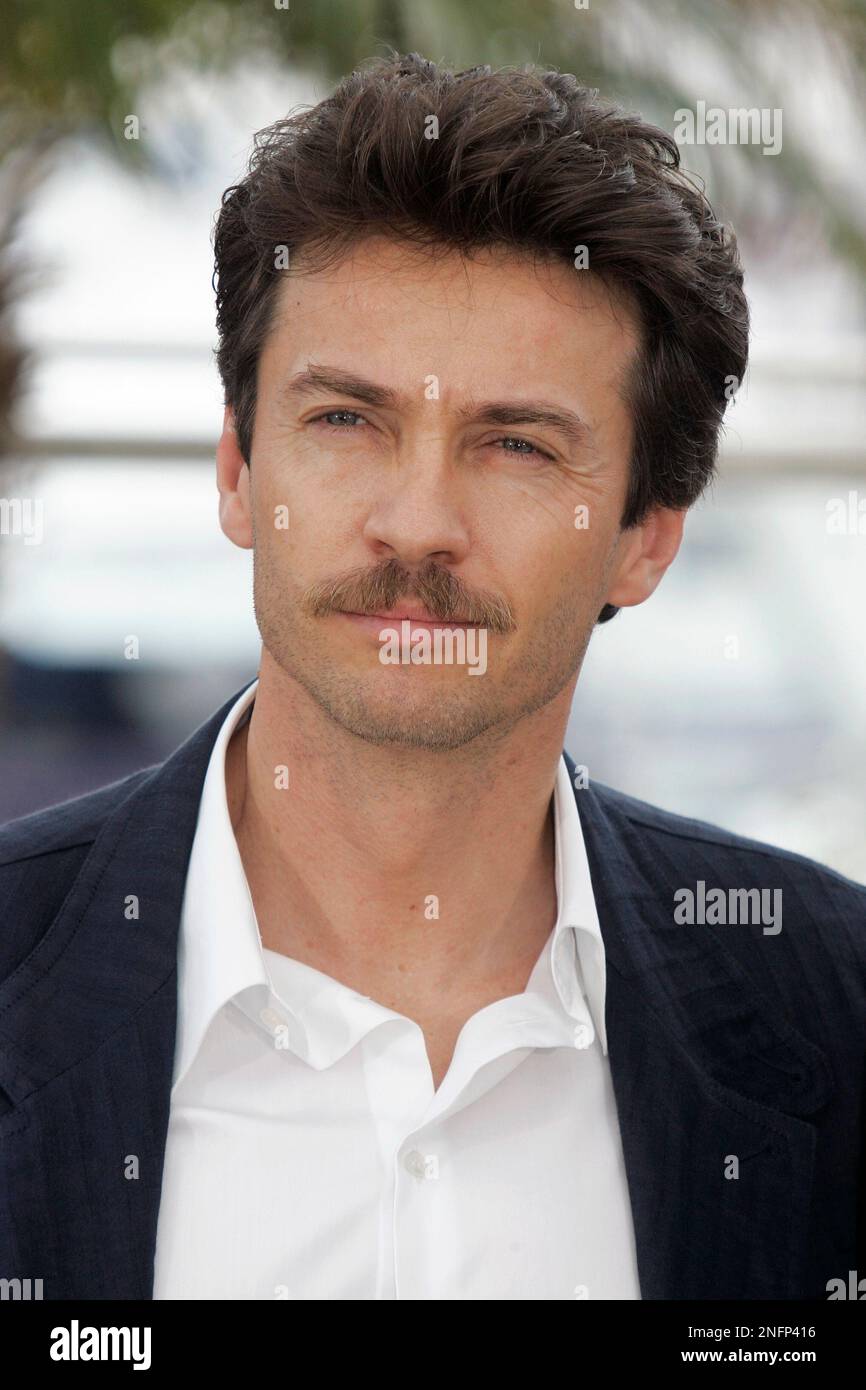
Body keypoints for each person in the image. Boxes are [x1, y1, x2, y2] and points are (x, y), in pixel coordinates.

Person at [0, 51, 863, 1302]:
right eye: (346, 420)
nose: (415, 524)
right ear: (241, 474)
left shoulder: (828, 1004)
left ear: (642, 536)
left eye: (514, 444)